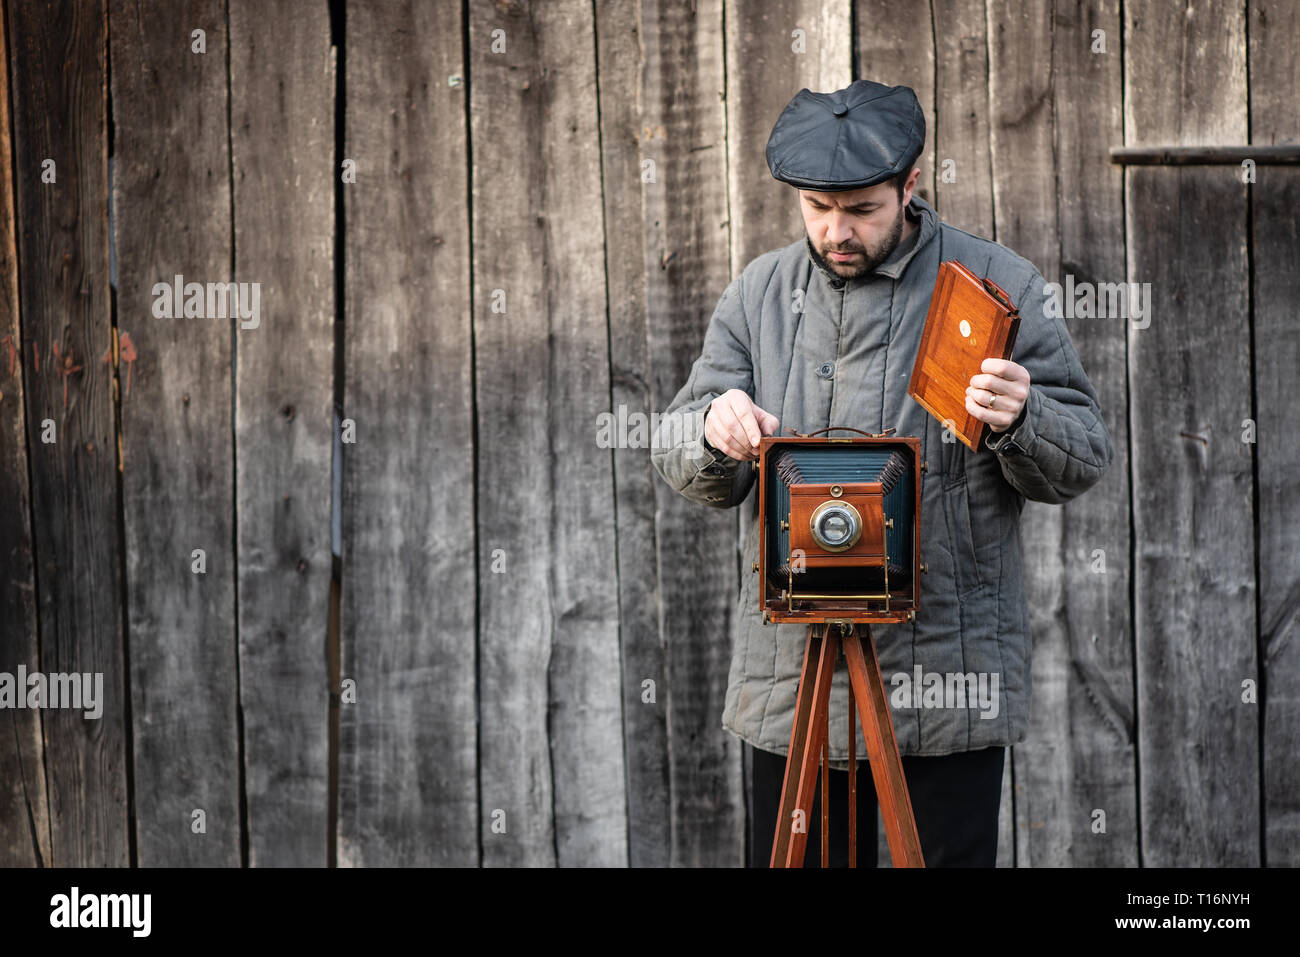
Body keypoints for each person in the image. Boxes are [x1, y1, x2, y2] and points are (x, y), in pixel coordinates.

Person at [649, 80, 1113, 867]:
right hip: (792, 687)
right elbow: (676, 444)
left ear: (912, 184)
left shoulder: (997, 285)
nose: (836, 230)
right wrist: (710, 430)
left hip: (945, 690)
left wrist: (1023, 416)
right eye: (816, 207)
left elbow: (1082, 456)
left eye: (861, 208)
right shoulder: (758, 294)